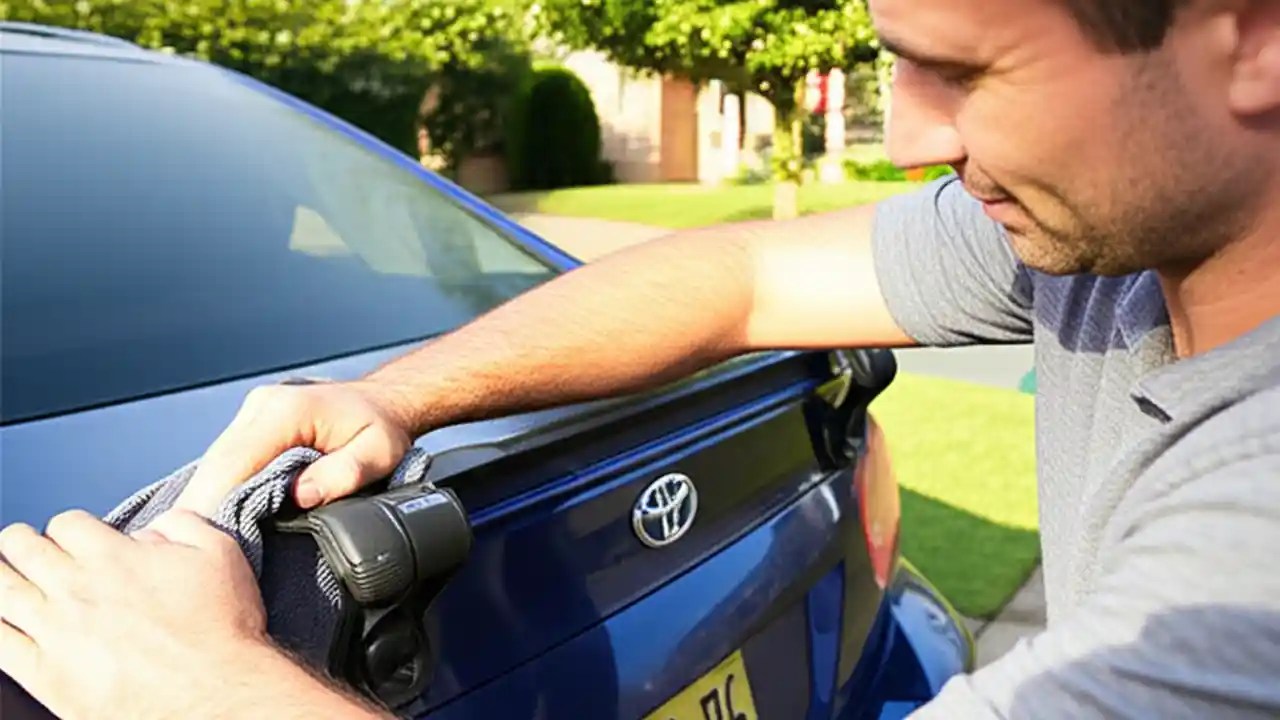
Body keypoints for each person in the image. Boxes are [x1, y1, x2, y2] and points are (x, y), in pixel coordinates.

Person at [3, 0, 1280, 717]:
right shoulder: (1095, 241)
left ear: (1250, 34)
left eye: (964, 72)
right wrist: (389, 394)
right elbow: (738, 281)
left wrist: (193, 682)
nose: (905, 139)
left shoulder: (1245, 567)